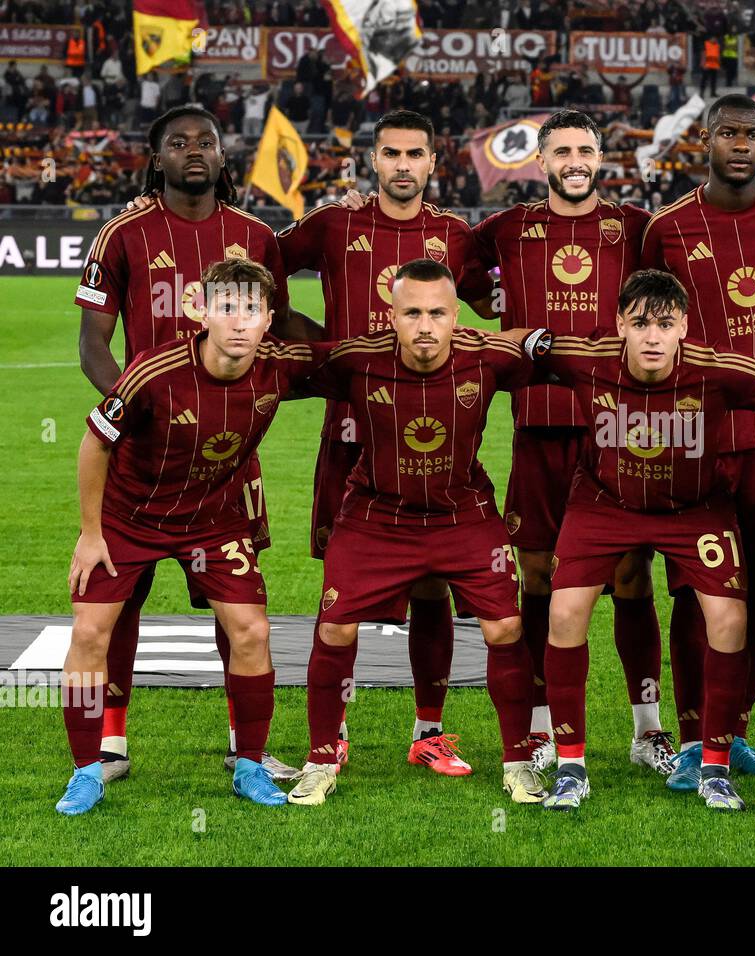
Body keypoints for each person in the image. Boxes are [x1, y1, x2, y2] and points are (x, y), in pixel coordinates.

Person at [503, 269, 755, 812]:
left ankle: (714, 765)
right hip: (604, 503)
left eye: (665, 324)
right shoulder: (585, 358)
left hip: (694, 508)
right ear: (619, 325)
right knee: (565, 612)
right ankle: (571, 765)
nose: (652, 336)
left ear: (684, 327)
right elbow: (520, 347)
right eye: (639, 323)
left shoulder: (717, 369)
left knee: (729, 618)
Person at [74, 104, 308, 786]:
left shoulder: (256, 235)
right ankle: (110, 745)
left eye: (205, 141)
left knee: (232, 604)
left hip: (227, 456)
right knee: (122, 600)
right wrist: (138, 411)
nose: (194, 151)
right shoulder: (123, 232)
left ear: (223, 155)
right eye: (178, 143)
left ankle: (247, 748)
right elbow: (93, 344)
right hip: (144, 452)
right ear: (157, 158)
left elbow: (285, 323)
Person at [59, 259, 328, 815]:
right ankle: (86, 771)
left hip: (213, 519)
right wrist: (90, 535)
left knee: (252, 630)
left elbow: (358, 362)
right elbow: (94, 443)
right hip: (128, 518)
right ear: (199, 310)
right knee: (89, 632)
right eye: (226, 306)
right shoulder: (152, 372)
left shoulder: (281, 367)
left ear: (269, 319)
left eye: (251, 309)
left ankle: (250, 765)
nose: (238, 320)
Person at [279, 109, 497, 775]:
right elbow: (259, 264)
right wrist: (322, 348)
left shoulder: (455, 237)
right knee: (341, 593)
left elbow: (492, 305)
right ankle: (332, 734)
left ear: (435, 163)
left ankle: (428, 731)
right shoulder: (334, 222)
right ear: (373, 160)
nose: (403, 165)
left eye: (415, 154)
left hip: (435, 442)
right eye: (391, 154)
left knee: (433, 587)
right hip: (351, 436)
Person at [286, 260, 545, 807]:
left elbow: (555, 355)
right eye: (412, 313)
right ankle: (320, 758)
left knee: (505, 629)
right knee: (334, 630)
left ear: (456, 316)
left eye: (436, 313)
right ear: (392, 315)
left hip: (463, 515)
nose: (424, 325)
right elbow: (281, 368)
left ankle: (519, 761)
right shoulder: (357, 360)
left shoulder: (486, 355)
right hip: (376, 516)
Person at [472, 111, 673, 774]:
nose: (576, 160)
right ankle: (536, 727)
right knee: (535, 573)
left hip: (617, 426)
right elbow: (456, 265)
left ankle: (648, 730)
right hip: (536, 424)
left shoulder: (636, 226)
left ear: (601, 156)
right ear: (542, 158)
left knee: (629, 573)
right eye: (563, 150)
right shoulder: (509, 227)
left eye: (586, 149)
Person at [641, 93, 755, 791]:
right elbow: (642, 323)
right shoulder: (667, 228)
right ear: (706, 139)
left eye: (754, 134)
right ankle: (693, 741)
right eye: (729, 134)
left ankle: (737, 733)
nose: (742, 145)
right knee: (698, 596)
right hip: (698, 442)